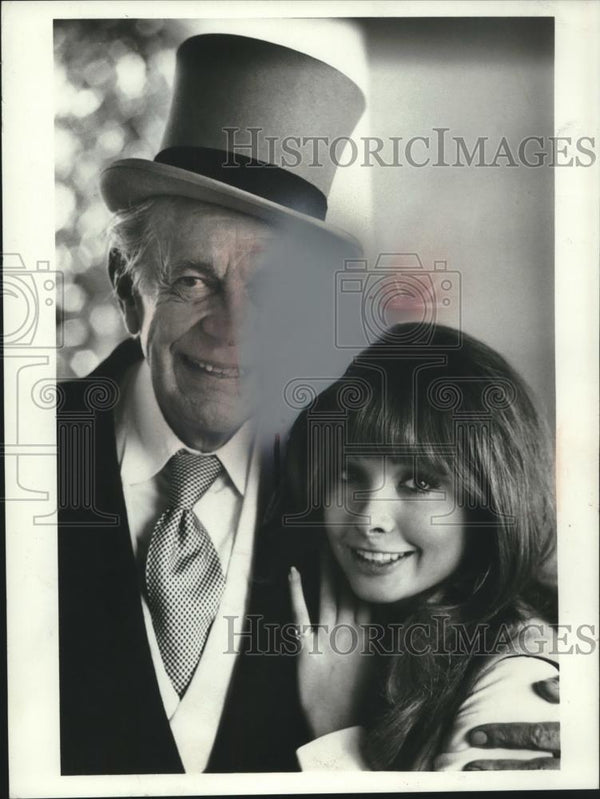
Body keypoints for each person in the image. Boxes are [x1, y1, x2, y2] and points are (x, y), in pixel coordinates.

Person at [57, 33, 560, 775]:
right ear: (130, 286)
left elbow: (488, 600)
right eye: (192, 279)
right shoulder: (31, 449)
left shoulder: (349, 465)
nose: (233, 330)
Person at [281, 323, 560, 770]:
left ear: (488, 503)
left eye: (419, 481)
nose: (370, 518)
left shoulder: (519, 683)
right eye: (348, 473)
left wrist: (333, 734)